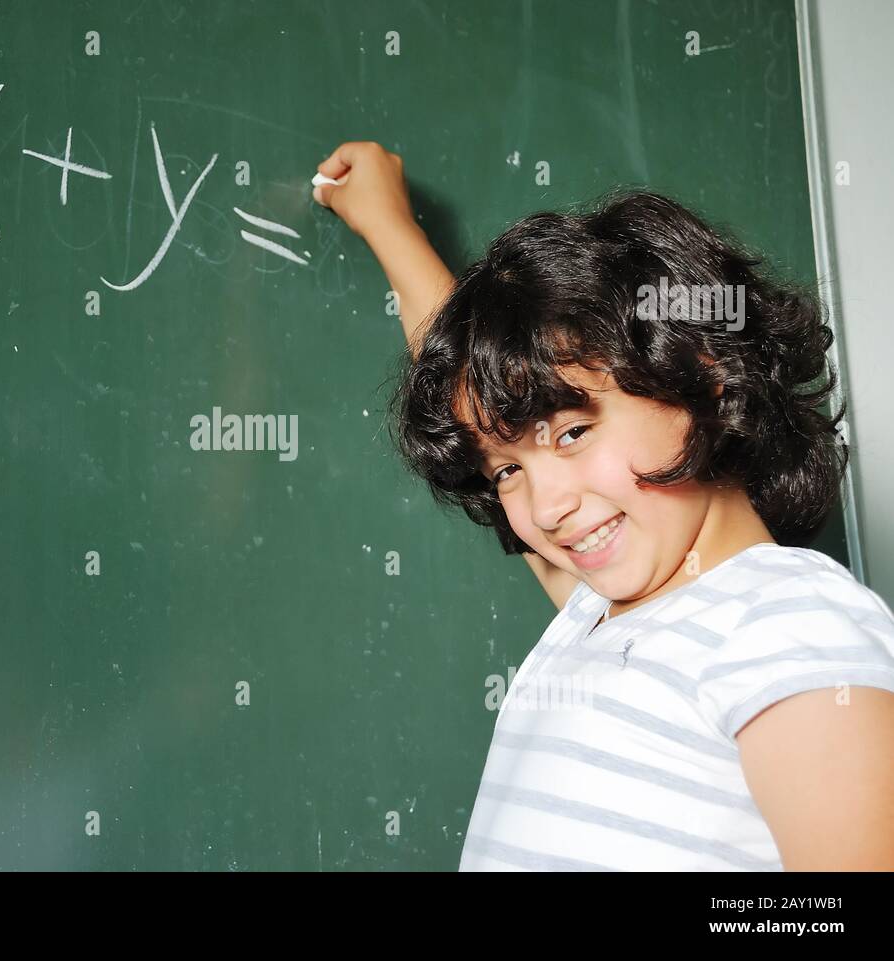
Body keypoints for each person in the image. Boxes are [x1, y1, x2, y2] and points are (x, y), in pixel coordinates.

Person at [313, 142, 894, 871]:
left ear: (700, 375)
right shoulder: (595, 613)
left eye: (574, 432)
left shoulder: (785, 621)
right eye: (505, 472)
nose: (547, 504)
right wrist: (390, 227)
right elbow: (479, 400)